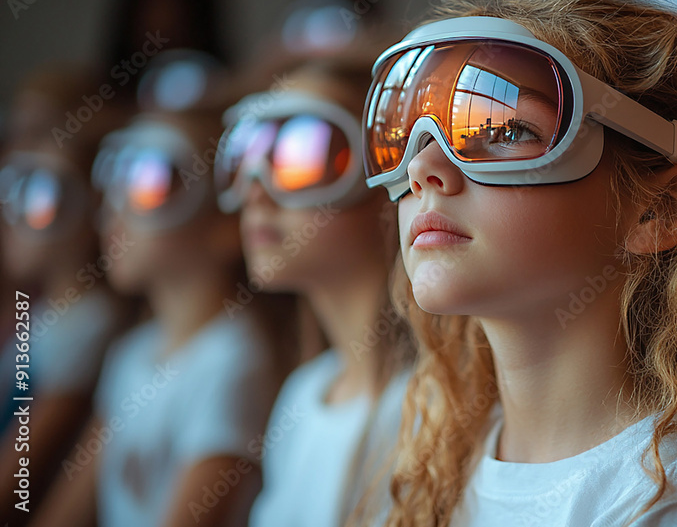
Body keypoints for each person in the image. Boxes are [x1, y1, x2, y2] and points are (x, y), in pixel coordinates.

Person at [357, 0, 677, 527]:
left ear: (658, 211)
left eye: (505, 129)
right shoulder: (444, 461)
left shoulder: (674, 511)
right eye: (408, 137)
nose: (424, 168)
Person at [29, 73, 286, 527]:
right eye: (115, 177)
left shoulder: (234, 363)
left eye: (151, 181)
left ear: (226, 224)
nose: (113, 208)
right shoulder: (133, 353)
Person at [214, 51, 414, 527]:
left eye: (305, 152)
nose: (256, 191)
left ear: (390, 180)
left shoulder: (434, 408)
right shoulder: (302, 396)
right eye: (247, 152)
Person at [0, 66, 134, 524]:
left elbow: (16, 485)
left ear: (90, 205)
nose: (14, 208)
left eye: (39, 193)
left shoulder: (89, 323)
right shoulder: (38, 310)